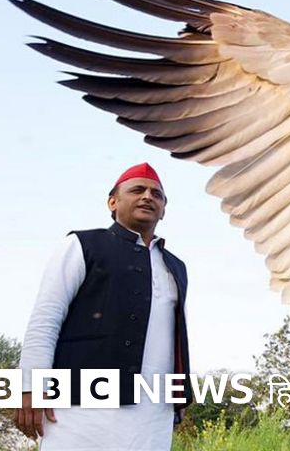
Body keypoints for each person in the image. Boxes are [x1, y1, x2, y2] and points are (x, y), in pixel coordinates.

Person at [14, 163, 191, 450]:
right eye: (137, 190)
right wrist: (31, 386)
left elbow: (175, 338)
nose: (148, 196)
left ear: (163, 210)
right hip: (79, 408)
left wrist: (179, 397)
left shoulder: (175, 266)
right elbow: (46, 318)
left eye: (156, 194)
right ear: (113, 202)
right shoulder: (82, 245)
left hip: (153, 413)